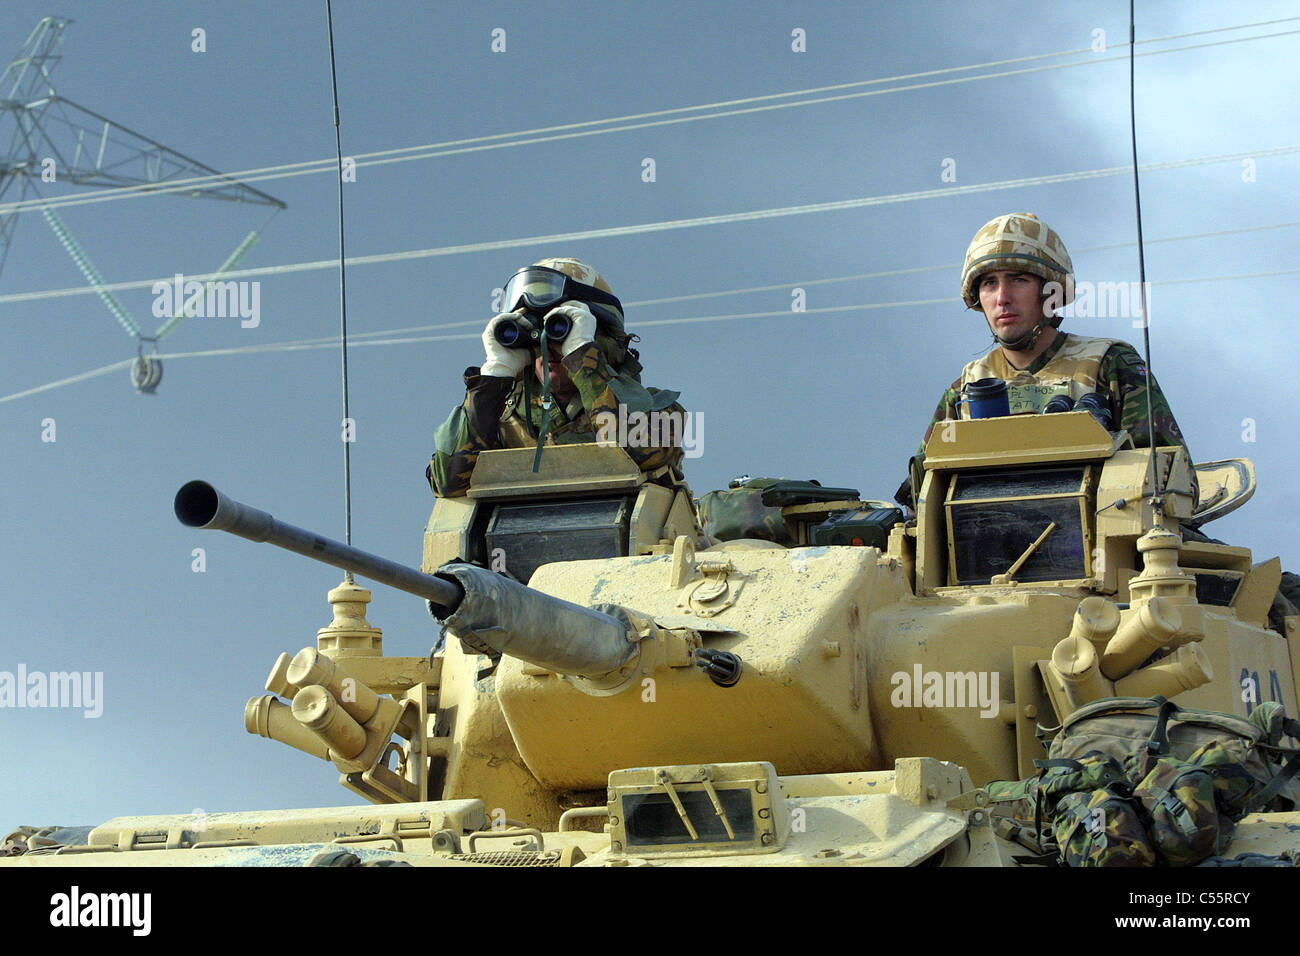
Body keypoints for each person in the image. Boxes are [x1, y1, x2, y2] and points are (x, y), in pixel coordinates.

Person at [896, 212, 1194, 510]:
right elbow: (922, 497)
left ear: (1051, 291)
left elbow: (1169, 484)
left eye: (1019, 279)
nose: (1002, 298)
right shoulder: (967, 388)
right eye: (989, 283)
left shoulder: (1110, 365)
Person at [427, 257, 687, 497]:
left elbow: (642, 454)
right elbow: (448, 482)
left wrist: (580, 355)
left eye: (558, 333)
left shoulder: (660, 409)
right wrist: (495, 374)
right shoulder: (497, 420)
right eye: (536, 334)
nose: (546, 346)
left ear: (603, 341)